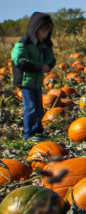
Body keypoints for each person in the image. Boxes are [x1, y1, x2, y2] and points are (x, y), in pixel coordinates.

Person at [10, 12, 55, 140]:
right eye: (43, 32)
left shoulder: (44, 45)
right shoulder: (23, 43)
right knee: (30, 108)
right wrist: (38, 67)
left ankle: (38, 131)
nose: (45, 35)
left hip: (36, 81)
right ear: (35, 30)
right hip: (25, 82)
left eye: (47, 32)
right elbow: (18, 59)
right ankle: (28, 134)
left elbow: (51, 57)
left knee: (39, 108)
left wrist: (48, 64)